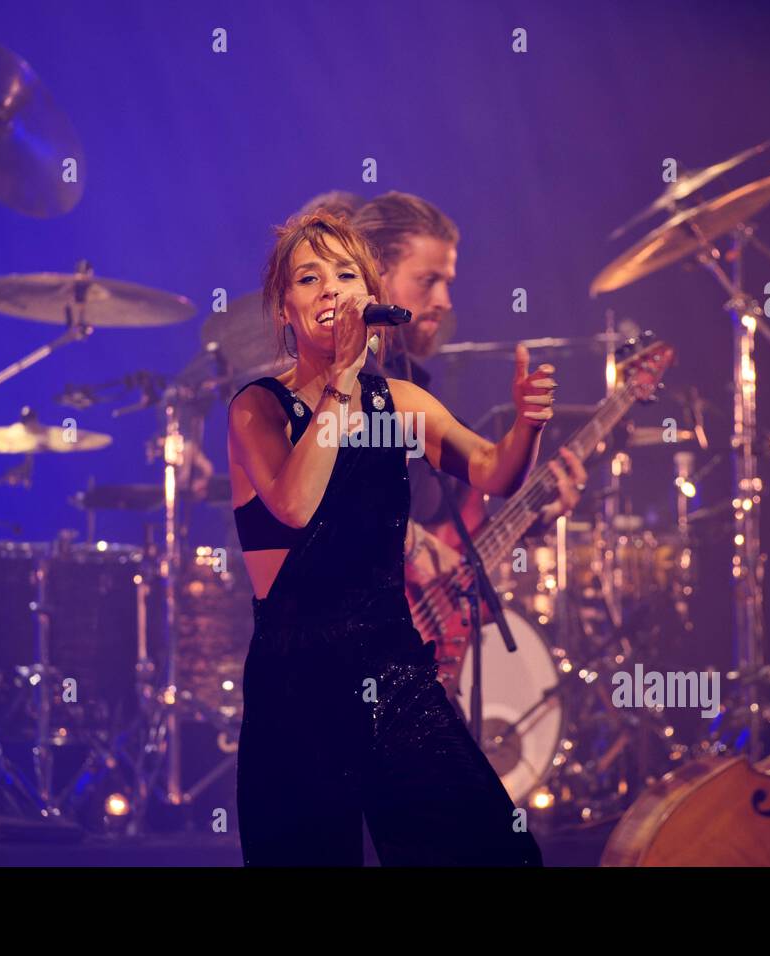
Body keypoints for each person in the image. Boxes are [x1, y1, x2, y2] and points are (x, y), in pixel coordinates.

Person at [227, 211, 554, 866]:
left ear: (368, 295)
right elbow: (293, 505)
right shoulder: (257, 407)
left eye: (345, 275)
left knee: (496, 852)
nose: (328, 289)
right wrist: (342, 382)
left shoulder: (400, 403)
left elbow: (494, 471)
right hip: (297, 687)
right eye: (308, 278)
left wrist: (528, 425)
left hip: (396, 674)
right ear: (284, 309)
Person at [350, 192, 588, 601]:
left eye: (447, 283)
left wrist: (536, 508)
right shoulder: (337, 387)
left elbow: (472, 499)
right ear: (375, 276)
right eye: (428, 281)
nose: (444, 302)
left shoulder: (412, 387)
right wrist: (414, 547)